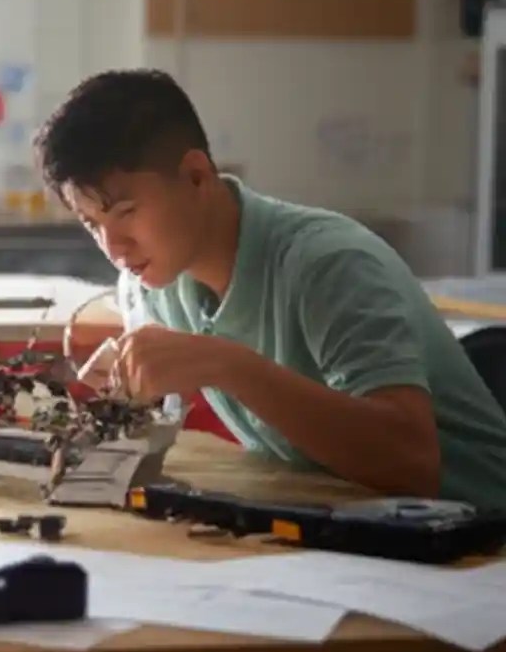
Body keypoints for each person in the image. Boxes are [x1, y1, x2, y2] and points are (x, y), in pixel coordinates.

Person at [33, 68, 506, 507]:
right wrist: (130, 385)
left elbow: (413, 467)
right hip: (354, 523)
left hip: (480, 543)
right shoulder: (149, 283)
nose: (113, 247)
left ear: (197, 176)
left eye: (126, 213)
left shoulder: (327, 264)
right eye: (92, 224)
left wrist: (224, 363)